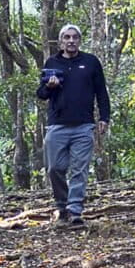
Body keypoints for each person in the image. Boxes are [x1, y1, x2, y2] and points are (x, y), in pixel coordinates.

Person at [36, 24, 110, 226]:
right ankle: (61, 205)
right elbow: (41, 94)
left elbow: (101, 92)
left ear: (79, 40)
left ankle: (75, 210)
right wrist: (49, 87)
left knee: (79, 169)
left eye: (74, 37)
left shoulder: (91, 62)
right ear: (61, 41)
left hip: (83, 125)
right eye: (67, 37)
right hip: (57, 125)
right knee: (54, 168)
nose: (71, 41)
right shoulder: (52, 62)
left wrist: (104, 117)